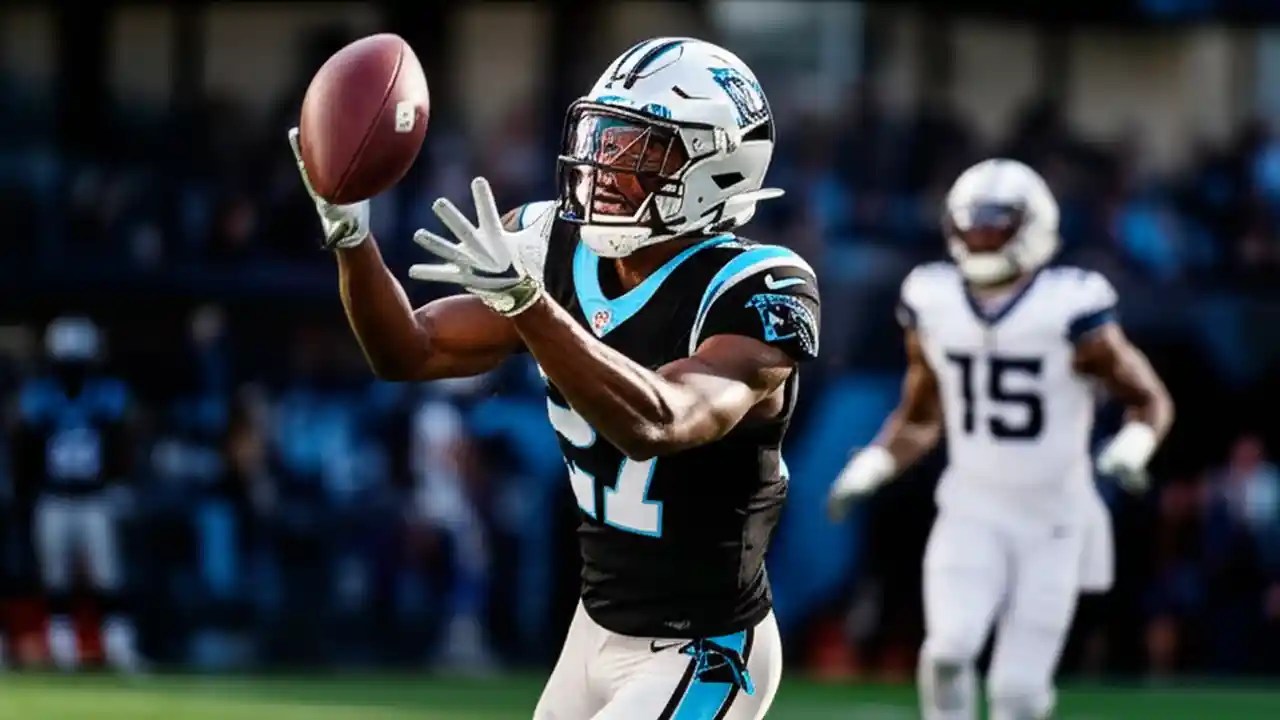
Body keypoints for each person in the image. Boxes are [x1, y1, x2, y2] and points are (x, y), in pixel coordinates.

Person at [288, 36, 819, 719]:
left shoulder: (759, 288)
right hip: (594, 628)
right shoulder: (552, 248)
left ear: (716, 169)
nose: (601, 165)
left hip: (703, 646)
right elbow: (408, 353)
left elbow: (660, 422)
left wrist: (528, 305)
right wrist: (352, 238)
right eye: (602, 136)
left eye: (636, 149)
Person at [827, 159, 1174, 720]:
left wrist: (1135, 444)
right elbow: (920, 416)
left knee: (1018, 691)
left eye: (996, 222)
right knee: (946, 652)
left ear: (1032, 227)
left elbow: (1149, 399)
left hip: (1054, 519)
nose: (981, 235)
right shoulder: (933, 299)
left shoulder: (1071, 304)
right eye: (972, 222)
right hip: (972, 508)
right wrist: (873, 463)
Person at [11, 316, 142, 672]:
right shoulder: (38, 396)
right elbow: (24, 446)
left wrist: (119, 480)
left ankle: (118, 645)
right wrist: (27, 489)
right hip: (54, 495)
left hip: (94, 495)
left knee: (107, 575)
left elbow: (123, 442)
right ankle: (62, 645)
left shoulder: (107, 394)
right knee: (56, 576)